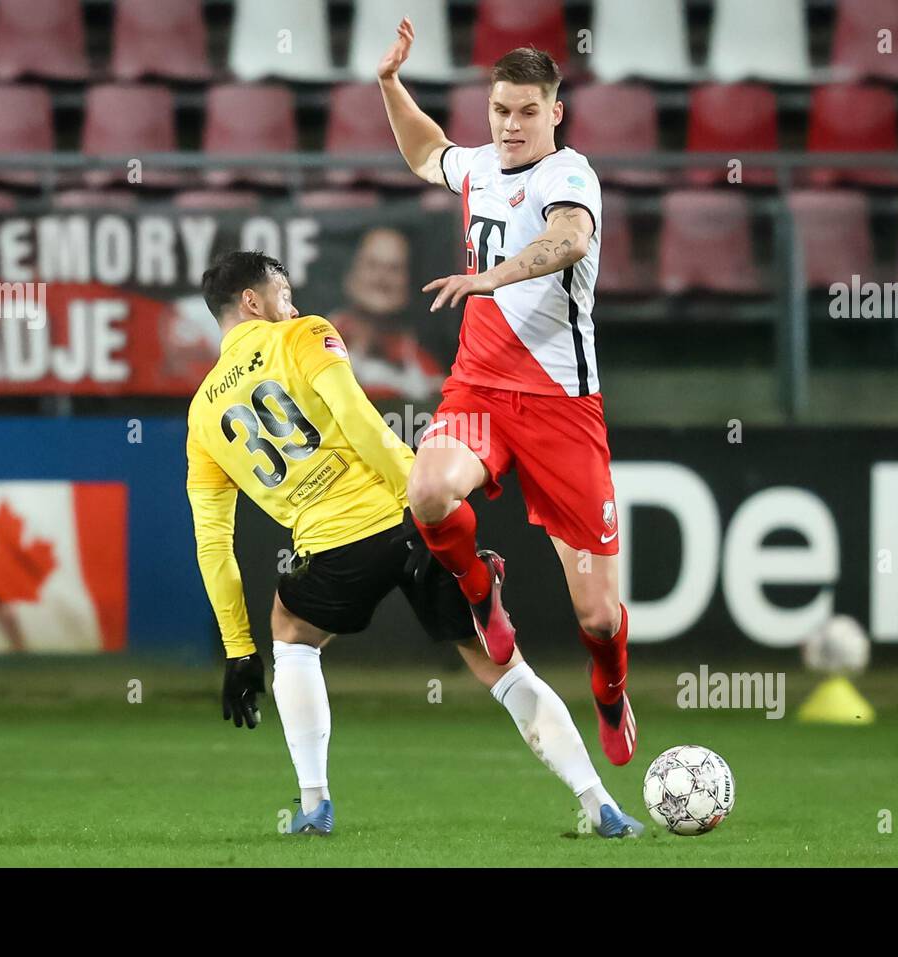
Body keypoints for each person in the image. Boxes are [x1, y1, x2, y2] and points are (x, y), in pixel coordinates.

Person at [185, 250, 643, 837]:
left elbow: (213, 545)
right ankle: (598, 804)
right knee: (503, 670)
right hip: (407, 522)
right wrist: (423, 494)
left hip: (333, 549)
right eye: (283, 293)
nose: (292, 304)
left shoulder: (201, 415)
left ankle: (313, 805)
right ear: (253, 301)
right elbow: (358, 420)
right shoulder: (305, 334)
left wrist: (237, 651)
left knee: (290, 634)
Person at [376, 19, 636, 766]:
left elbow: (570, 240)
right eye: (500, 110)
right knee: (426, 493)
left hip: (561, 409)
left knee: (595, 612)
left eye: (527, 110)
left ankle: (610, 686)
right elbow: (428, 152)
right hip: (480, 393)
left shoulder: (569, 175)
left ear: (555, 112)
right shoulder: (481, 165)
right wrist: (390, 86)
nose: (511, 124)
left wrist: (493, 276)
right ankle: (480, 585)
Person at [328, 227, 445, 401]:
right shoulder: (314, 342)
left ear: (409, 284)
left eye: (394, 269)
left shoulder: (425, 368)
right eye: (372, 265)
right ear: (350, 275)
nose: (381, 278)